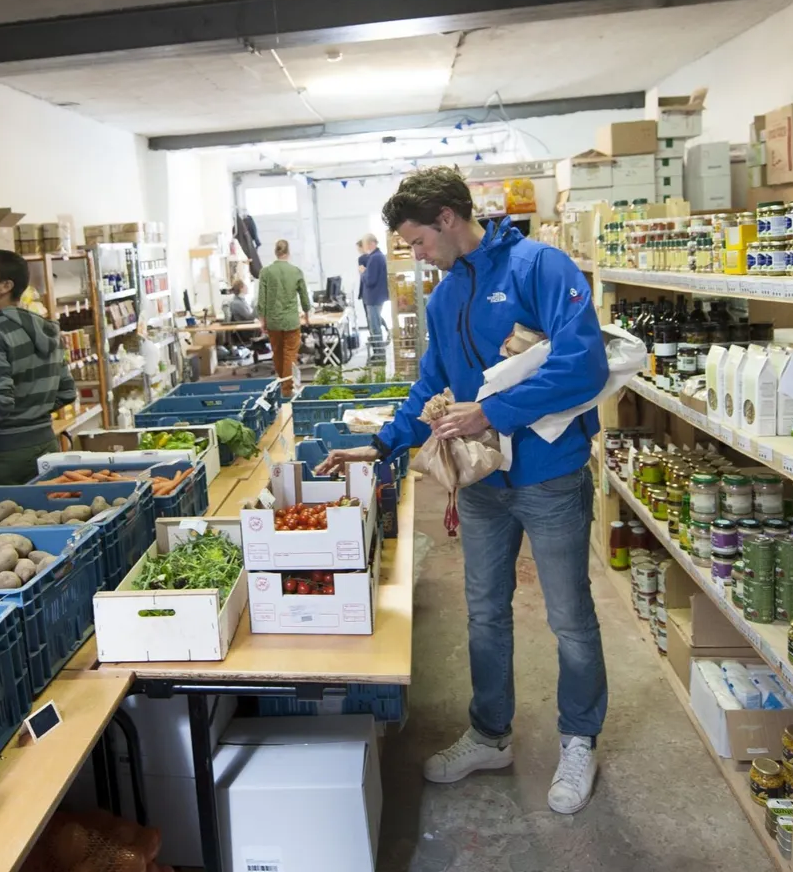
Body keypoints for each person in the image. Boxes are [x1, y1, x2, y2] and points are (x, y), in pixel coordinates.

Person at [317, 167, 610, 815]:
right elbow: (430, 384)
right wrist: (382, 442)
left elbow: (582, 362)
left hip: (552, 476)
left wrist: (493, 412)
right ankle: (489, 733)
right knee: (485, 613)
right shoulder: (444, 298)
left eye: (417, 240)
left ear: (448, 219)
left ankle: (579, 737)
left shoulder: (540, 267)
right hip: (480, 483)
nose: (415, 255)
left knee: (569, 617)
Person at [0, 249, 76, 488]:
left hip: (0, 459)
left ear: (6, 286)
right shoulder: (47, 329)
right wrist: (30, 414)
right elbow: (66, 391)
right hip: (45, 449)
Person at [255, 239, 312, 396]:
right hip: (291, 321)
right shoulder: (296, 271)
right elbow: (305, 298)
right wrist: (307, 317)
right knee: (289, 355)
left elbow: (261, 299)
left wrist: (262, 321)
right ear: (288, 252)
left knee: (278, 353)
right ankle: (287, 390)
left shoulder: (266, 272)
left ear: (276, 252)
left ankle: (282, 386)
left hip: (273, 321)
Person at [357, 234, 389, 352]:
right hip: (376, 297)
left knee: (375, 327)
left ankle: (379, 354)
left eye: (365, 245)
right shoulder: (378, 256)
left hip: (373, 297)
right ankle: (379, 352)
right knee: (375, 325)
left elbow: (370, 280)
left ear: (371, 243)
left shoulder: (375, 258)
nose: (364, 248)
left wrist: (363, 272)